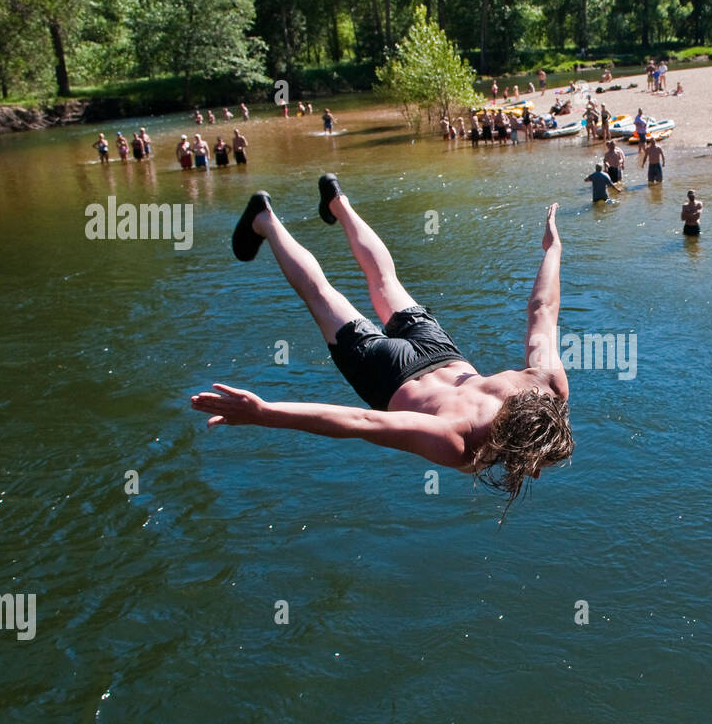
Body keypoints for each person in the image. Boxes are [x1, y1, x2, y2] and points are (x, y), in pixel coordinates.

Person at [196, 181, 573, 516]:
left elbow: (542, 308)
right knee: (321, 292)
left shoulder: (550, 387)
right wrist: (265, 413)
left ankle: (338, 203)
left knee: (384, 279)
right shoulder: (462, 444)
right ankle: (264, 220)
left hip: (438, 349)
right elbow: (363, 422)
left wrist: (552, 250)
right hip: (386, 375)